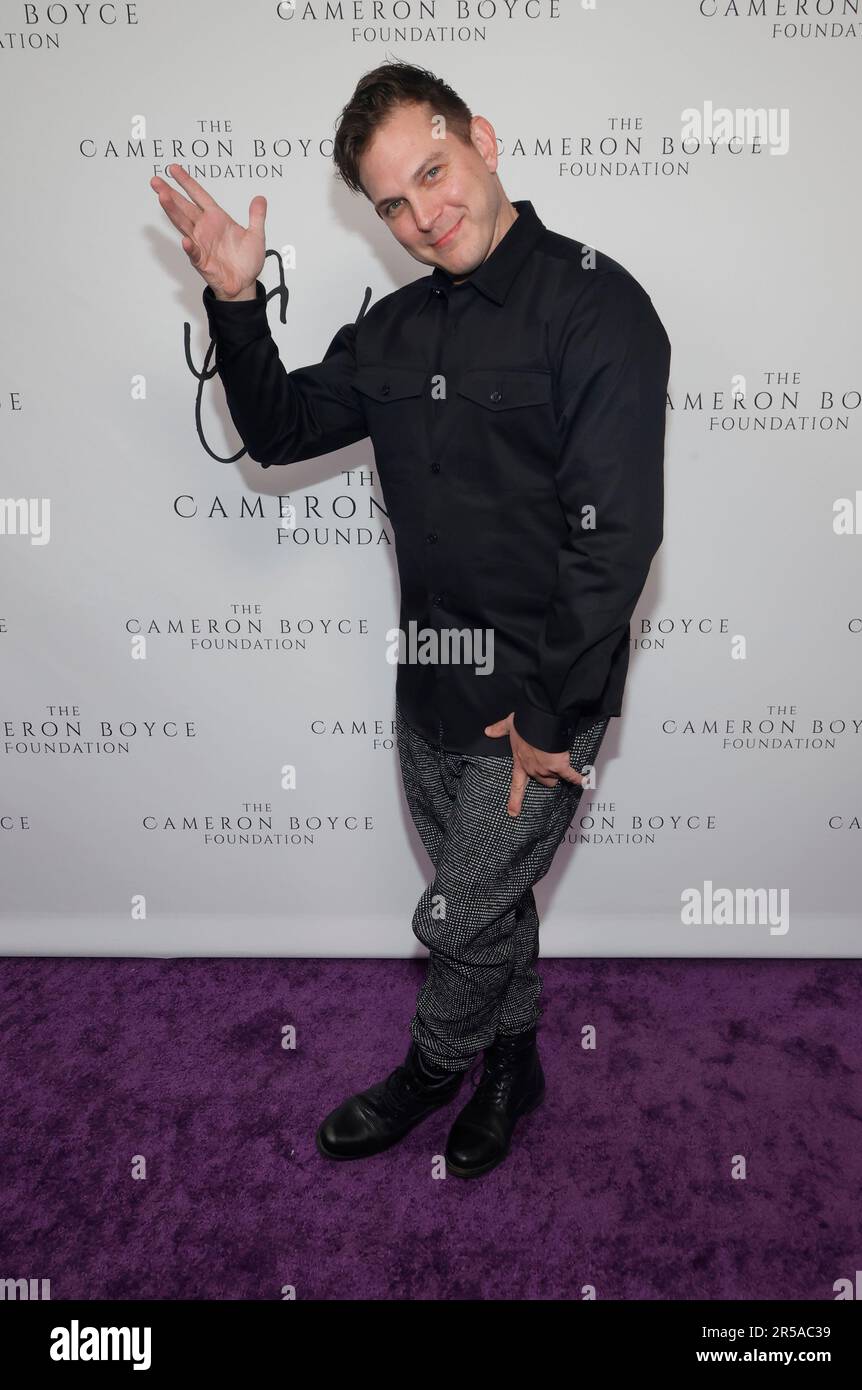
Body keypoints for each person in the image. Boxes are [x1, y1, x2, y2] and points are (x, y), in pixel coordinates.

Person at [150, 61, 671, 1181]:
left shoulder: (597, 304)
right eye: (392, 202)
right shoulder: (389, 331)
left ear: (480, 137)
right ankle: (514, 1065)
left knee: (455, 916)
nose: (424, 215)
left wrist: (549, 716)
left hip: (537, 706)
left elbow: (614, 540)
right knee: (493, 916)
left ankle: (433, 1066)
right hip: (425, 692)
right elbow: (282, 431)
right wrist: (237, 306)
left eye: (433, 172)